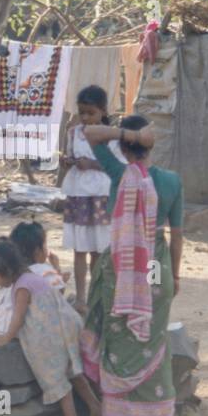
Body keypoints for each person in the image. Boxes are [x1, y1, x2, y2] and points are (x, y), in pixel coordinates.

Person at [78, 115, 184, 416]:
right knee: (153, 342)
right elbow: (177, 234)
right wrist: (176, 275)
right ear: (152, 145)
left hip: (122, 270)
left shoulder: (118, 173)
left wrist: (126, 134)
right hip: (155, 268)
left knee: (119, 343)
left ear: (122, 147)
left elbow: (89, 134)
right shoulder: (171, 181)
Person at [0, 240, 101, 416]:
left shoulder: (22, 287)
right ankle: (95, 407)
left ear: (6, 270)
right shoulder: (30, 277)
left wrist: (5, 338)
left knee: (54, 376)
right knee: (73, 372)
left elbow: (18, 318)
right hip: (65, 326)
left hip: (49, 336)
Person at [60, 85, 118, 312]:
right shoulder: (74, 133)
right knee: (79, 249)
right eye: (81, 112)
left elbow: (118, 167)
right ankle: (81, 298)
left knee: (97, 250)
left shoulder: (112, 136)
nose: (85, 117)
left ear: (103, 111)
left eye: (90, 113)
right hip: (78, 194)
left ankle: (96, 296)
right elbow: (71, 156)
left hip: (100, 195)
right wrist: (68, 162)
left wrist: (92, 164)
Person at [8, 221, 67, 293]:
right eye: (45, 245)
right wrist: (57, 268)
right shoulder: (44, 270)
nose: (46, 248)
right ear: (37, 250)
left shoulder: (13, 271)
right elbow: (60, 292)